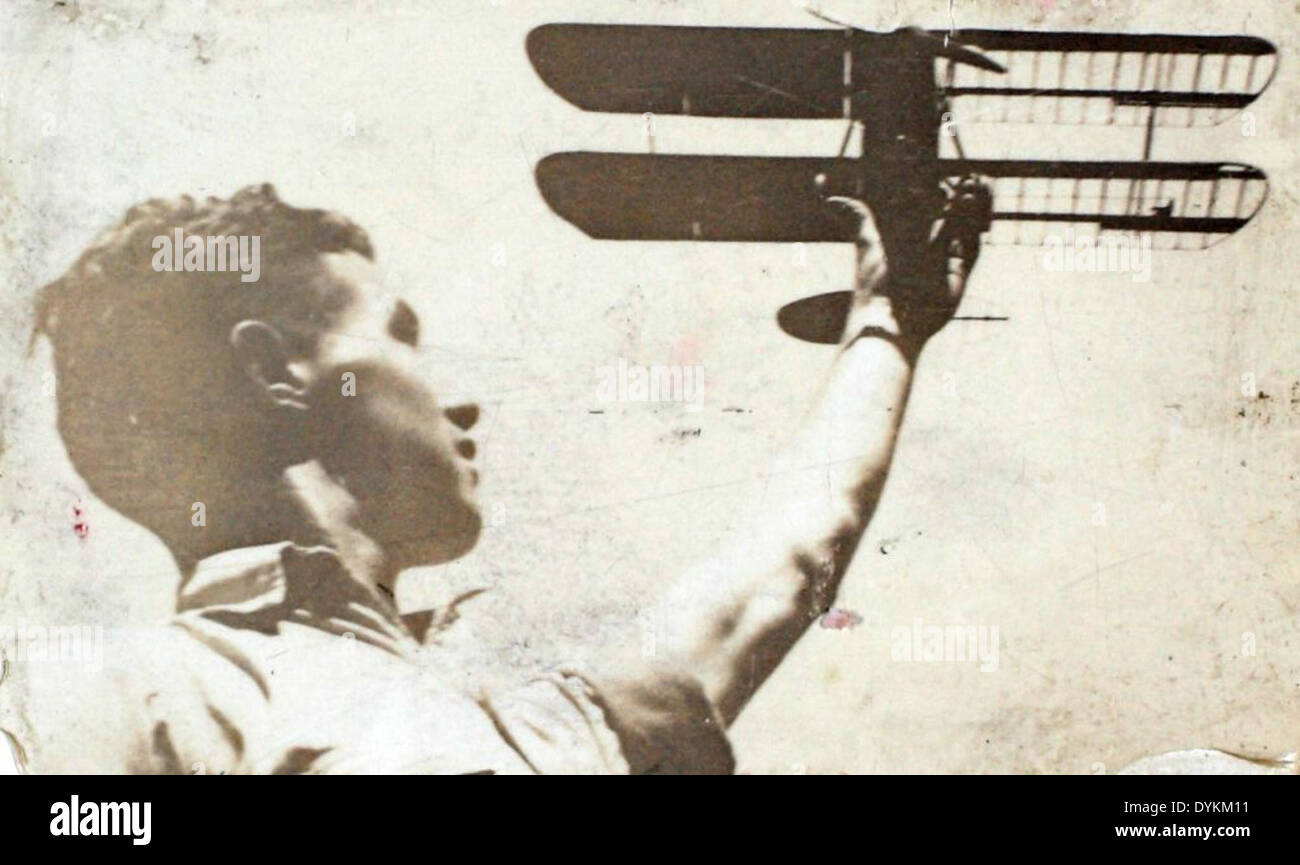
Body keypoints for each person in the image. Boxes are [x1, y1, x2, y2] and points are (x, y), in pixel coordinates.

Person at [1, 180, 985, 773]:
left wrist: (887, 320)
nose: (460, 402)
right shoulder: (110, 688)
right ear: (272, 375)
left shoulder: (521, 715)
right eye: (403, 337)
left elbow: (777, 577)